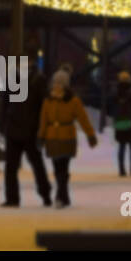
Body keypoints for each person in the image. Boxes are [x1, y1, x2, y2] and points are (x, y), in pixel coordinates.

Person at [37, 68, 96, 207]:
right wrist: (41, 137)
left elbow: (83, 119)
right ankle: (64, 196)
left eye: (60, 83)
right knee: (58, 169)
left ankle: (60, 197)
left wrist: (90, 134)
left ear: (65, 85)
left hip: (67, 138)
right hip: (52, 138)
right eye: (55, 83)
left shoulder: (73, 101)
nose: (57, 86)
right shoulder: (48, 101)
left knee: (62, 169)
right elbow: (43, 120)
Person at [0, 56, 51, 207]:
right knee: (36, 165)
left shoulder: (14, 79)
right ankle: (45, 195)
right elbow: (44, 106)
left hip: (16, 130)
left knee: (12, 168)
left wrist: (3, 125)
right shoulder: (39, 80)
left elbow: (5, 104)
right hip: (30, 130)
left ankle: (12, 199)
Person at [112, 70, 131, 177]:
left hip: (120, 121)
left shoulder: (116, 91)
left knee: (122, 145)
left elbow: (112, 105)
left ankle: (121, 170)